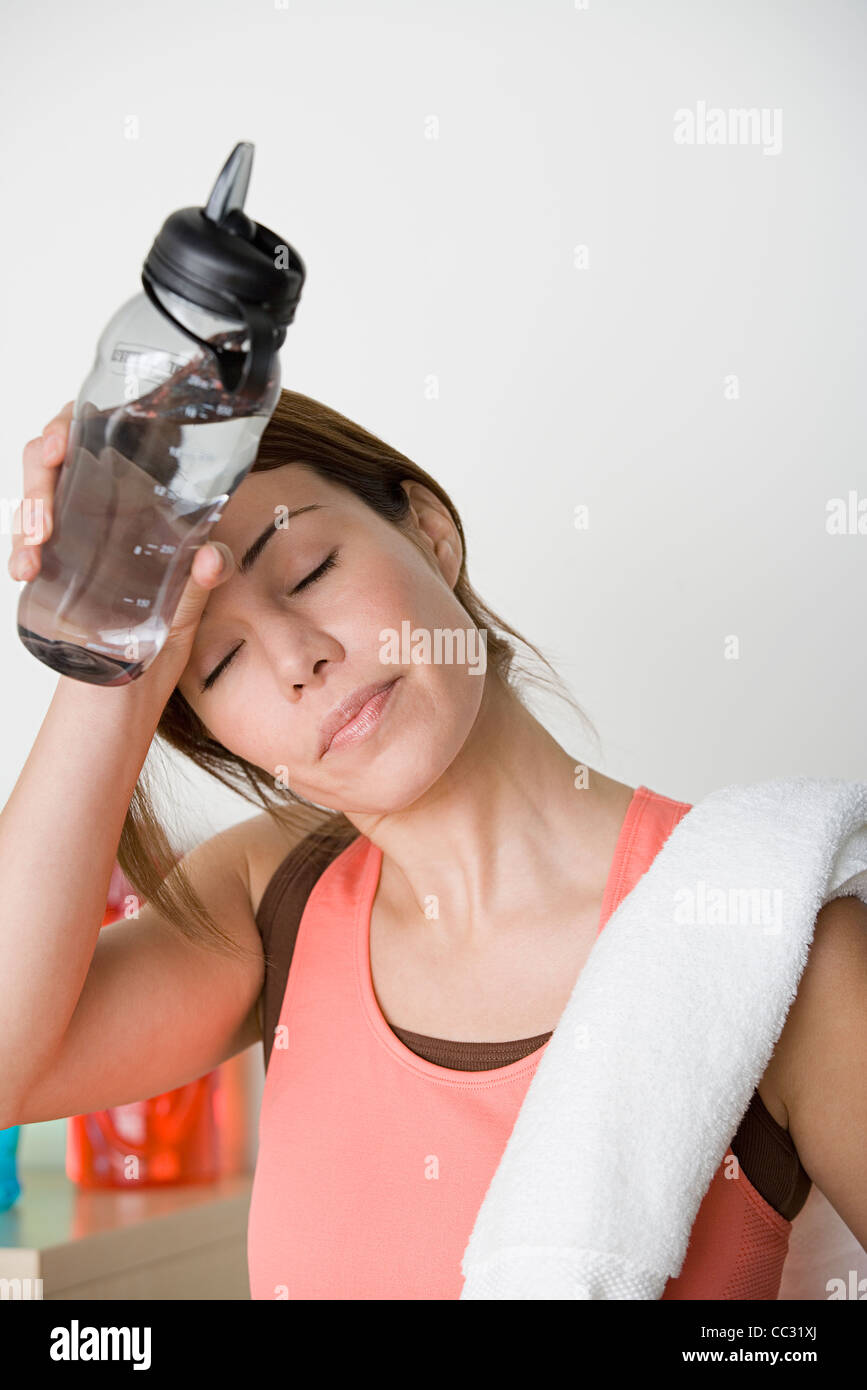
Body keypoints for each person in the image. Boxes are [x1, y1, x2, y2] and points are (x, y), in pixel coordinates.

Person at [2, 390, 865, 1299]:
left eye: (308, 571)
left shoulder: (765, 937)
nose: (298, 659)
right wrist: (110, 665)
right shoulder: (268, 900)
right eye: (214, 663)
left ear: (429, 532)